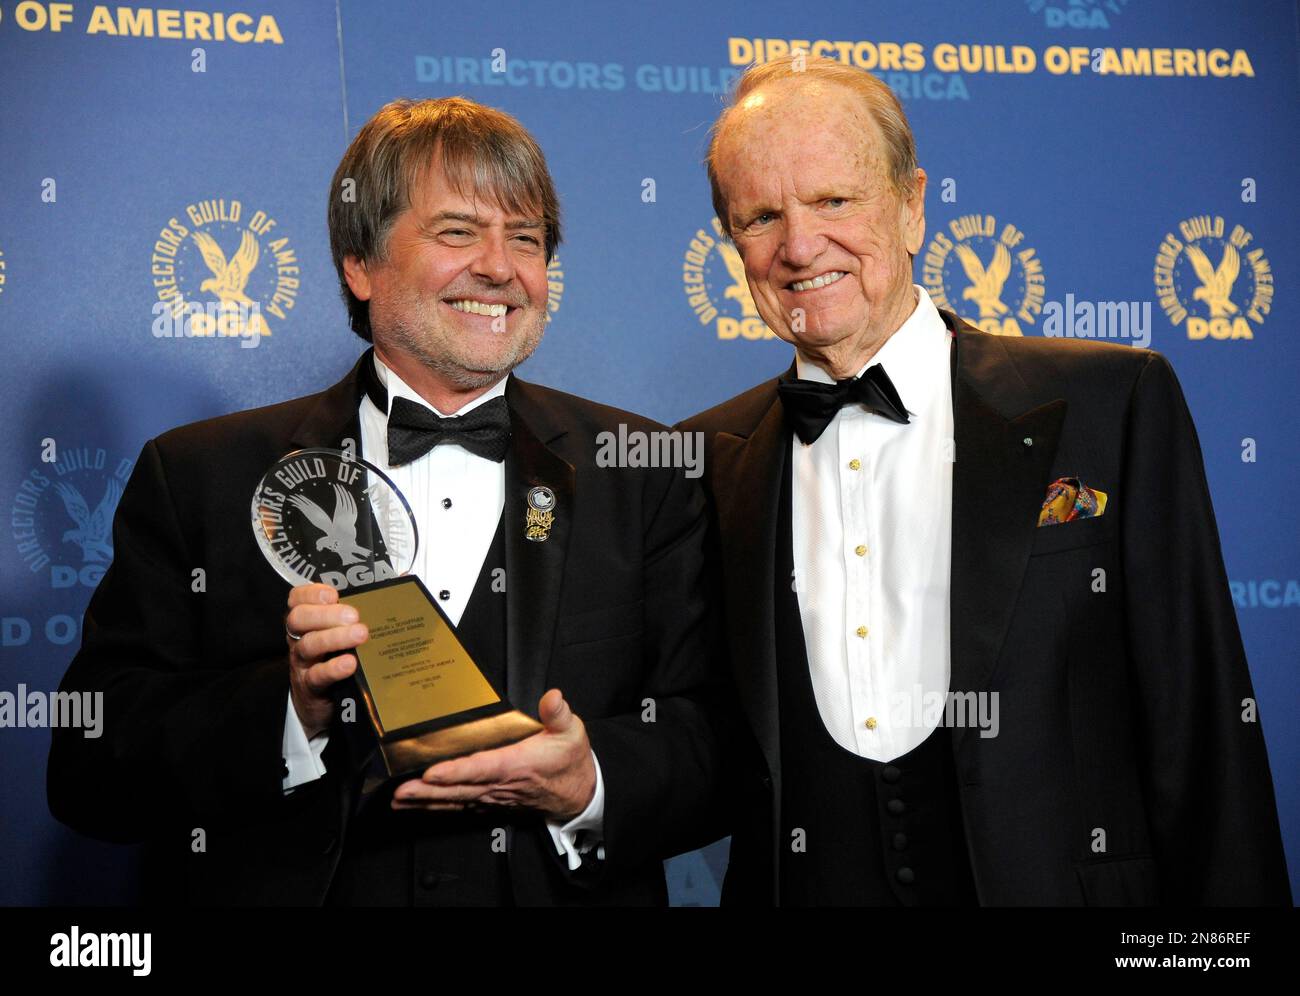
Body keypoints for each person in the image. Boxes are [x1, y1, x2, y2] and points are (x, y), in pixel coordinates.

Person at [48, 97, 724, 906]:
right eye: (458, 231)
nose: (501, 267)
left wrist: (590, 781)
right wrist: (289, 709)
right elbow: (91, 767)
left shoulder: (644, 471)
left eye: (527, 238)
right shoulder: (199, 476)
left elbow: (716, 743)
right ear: (359, 264)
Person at [682, 55, 1291, 906]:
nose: (799, 245)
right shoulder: (700, 460)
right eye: (760, 216)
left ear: (912, 206)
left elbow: (1203, 733)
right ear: (731, 243)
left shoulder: (1110, 403)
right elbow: (692, 751)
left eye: (833, 200)